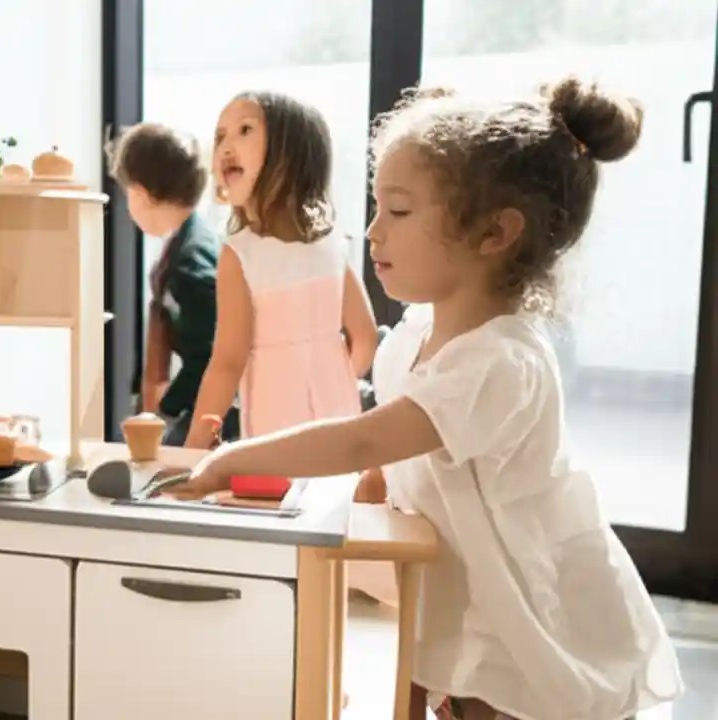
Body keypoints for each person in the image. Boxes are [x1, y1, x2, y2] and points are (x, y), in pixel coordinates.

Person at [172, 77, 682, 720]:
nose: (375, 232)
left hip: (530, 607)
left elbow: (366, 435)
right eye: (377, 207)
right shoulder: (414, 333)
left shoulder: (500, 361)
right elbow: (391, 444)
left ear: (495, 233)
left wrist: (230, 458)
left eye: (400, 211)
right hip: (462, 588)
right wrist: (379, 481)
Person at [184, 91, 379, 504]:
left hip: (275, 418)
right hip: (338, 416)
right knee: (333, 521)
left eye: (245, 130)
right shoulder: (332, 244)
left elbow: (227, 362)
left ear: (288, 155)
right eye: (220, 136)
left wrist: (193, 452)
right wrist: (336, 380)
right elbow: (364, 337)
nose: (225, 146)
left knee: (280, 524)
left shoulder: (240, 253)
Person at [105, 122, 238, 445]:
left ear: (140, 193)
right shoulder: (196, 238)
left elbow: (208, 356)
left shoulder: (189, 264)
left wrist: (164, 411)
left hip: (221, 413)